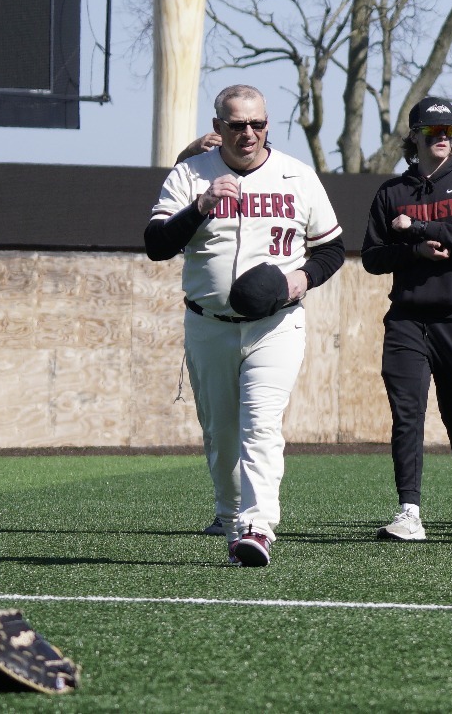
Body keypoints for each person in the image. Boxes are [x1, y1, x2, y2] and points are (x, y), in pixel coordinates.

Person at [144, 85, 346, 567]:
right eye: (237, 125)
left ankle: (258, 526)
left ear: (267, 124)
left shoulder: (297, 175)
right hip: (208, 324)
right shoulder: (191, 175)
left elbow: (332, 249)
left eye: (257, 124)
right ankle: (232, 514)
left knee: (261, 425)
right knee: (220, 433)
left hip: (275, 324)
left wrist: (300, 280)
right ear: (217, 128)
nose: (249, 133)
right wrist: (199, 207)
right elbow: (155, 244)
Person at [359, 97, 452, 542]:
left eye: (448, 131)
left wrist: (420, 229)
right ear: (414, 138)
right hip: (406, 320)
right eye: (433, 131)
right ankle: (408, 511)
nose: (442, 137)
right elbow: (372, 258)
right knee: (407, 413)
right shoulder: (391, 193)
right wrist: (412, 251)